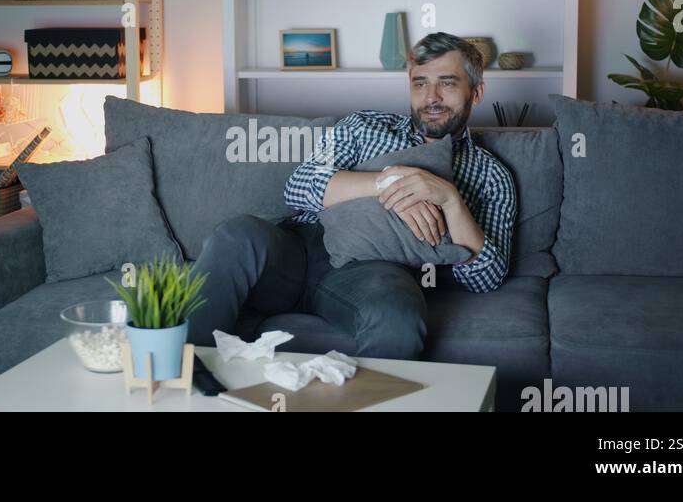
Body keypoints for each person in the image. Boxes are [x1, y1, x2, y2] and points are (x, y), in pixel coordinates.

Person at [188, 33, 517, 359]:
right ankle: (188, 380)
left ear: (477, 91)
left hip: (373, 272)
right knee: (236, 235)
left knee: (397, 318)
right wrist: (392, 182)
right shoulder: (362, 126)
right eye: (420, 83)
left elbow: (484, 278)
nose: (431, 97)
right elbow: (300, 185)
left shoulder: (492, 175)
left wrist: (449, 199)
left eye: (447, 83)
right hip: (298, 250)